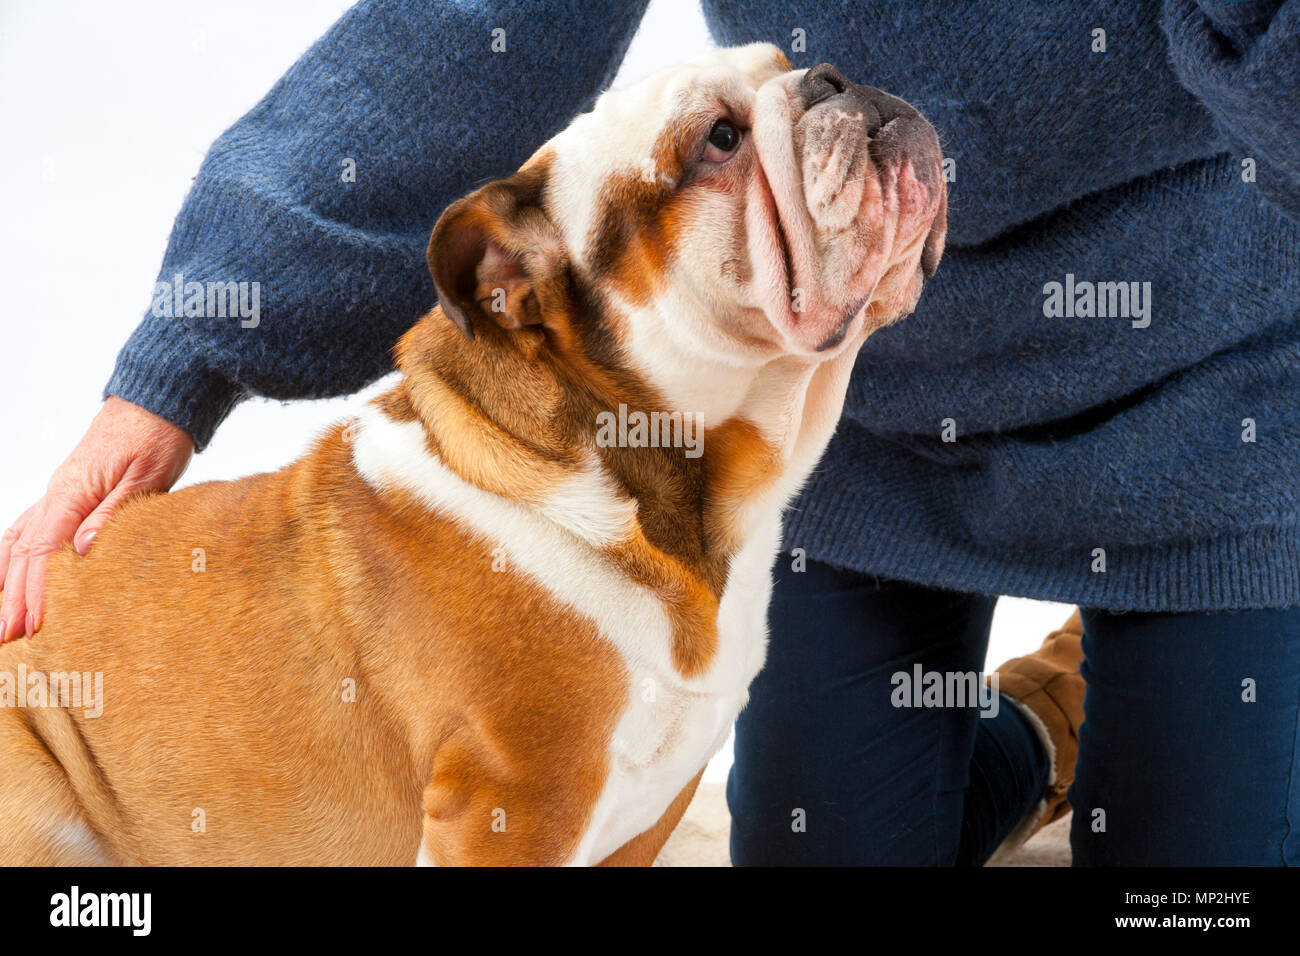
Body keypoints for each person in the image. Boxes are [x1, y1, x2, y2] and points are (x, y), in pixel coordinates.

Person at [3, 0, 1297, 865]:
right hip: (869, 428)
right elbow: (478, 24)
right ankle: (1044, 722)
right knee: (821, 841)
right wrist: (184, 363)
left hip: (1217, 417)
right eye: (733, 130)